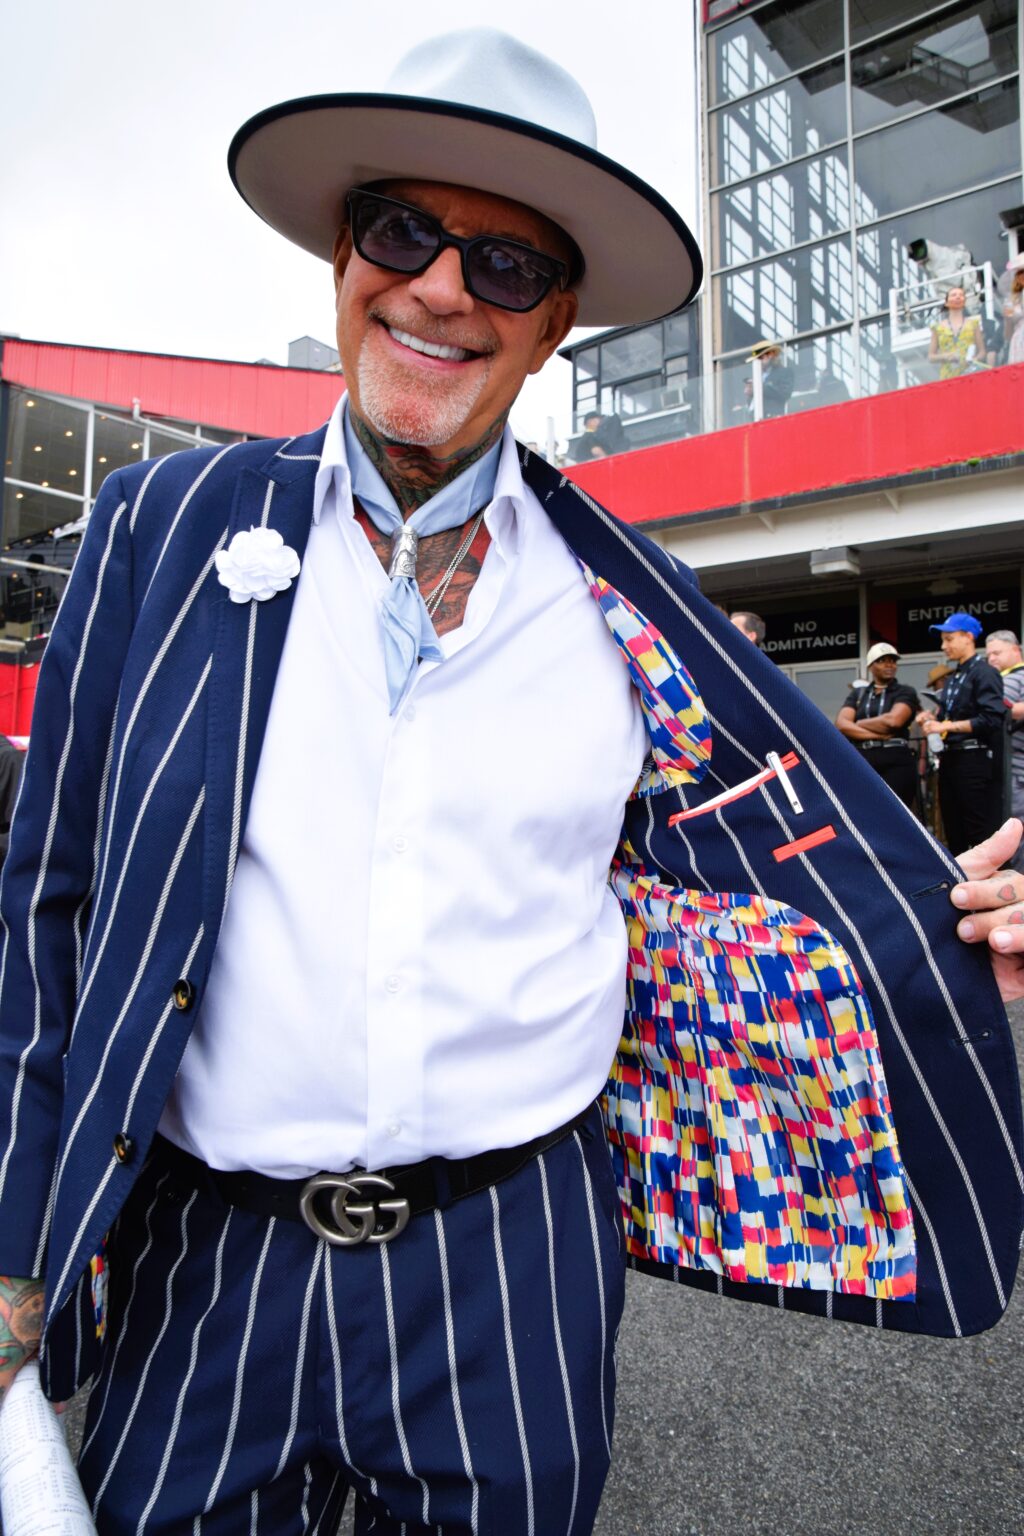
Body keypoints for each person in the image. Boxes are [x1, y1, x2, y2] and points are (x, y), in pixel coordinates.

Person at [1, 30, 1023, 1536]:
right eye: (402, 231)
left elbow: (745, 895)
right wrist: (18, 1251)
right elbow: (48, 897)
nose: (439, 290)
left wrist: (955, 935)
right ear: (342, 257)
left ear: (553, 331)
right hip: (204, 1258)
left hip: (515, 1260)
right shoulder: (164, 526)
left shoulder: (634, 608)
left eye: (507, 266)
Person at [916, 612, 1006, 854]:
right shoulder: (955, 676)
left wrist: (944, 726)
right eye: (943, 640)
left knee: (980, 832)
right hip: (951, 759)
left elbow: (991, 718)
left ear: (968, 637)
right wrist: (931, 719)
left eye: (949, 639)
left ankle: (990, 887)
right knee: (953, 830)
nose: (944, 646)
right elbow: (949, 718)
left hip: (975, 760)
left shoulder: (984, 672)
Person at [835, 643, 919, 809]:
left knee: (897, 811)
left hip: (895, 759)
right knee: (864, 810)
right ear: (871, 666)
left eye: (892, 661)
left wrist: (859, 723)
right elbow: (842, 724)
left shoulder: (905, 691)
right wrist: (878, 735)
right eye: (882, 660)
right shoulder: (859, 694)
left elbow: (893, 721)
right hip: (863, 759)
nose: (889, 665)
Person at [986, 628, 1024, 874]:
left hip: (1020, 767)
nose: (992, 659)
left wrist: (997, 707)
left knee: (1017, 829)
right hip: (1005, 767)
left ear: (1015, 650)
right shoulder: (999, 678)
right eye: (989, 655)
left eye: (997, 653)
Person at [928, 287, 986, 380]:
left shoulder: (974, 324)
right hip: (947, 375)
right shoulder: (938, 328)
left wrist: (974, 359)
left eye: (961, 295)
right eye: (953, 295)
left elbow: (982, 352)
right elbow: (931, 356)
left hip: (969, 372)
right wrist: (945, 356)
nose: (958, 297)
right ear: (946, 303)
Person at [747, 340, 793, 417]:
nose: (759, 361)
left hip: (772, 417)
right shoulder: (758, 375)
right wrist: (750, 392)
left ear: (770, 355)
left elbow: (785, 393)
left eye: (761, 357)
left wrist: (759, 387)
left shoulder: (784, 372)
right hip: (754, 418)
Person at [1002, 255, 1024, 367]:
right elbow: (1007, 335)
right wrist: (1008, 319)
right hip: (1019, 341)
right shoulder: (1011, 300)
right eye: (1021, 273)